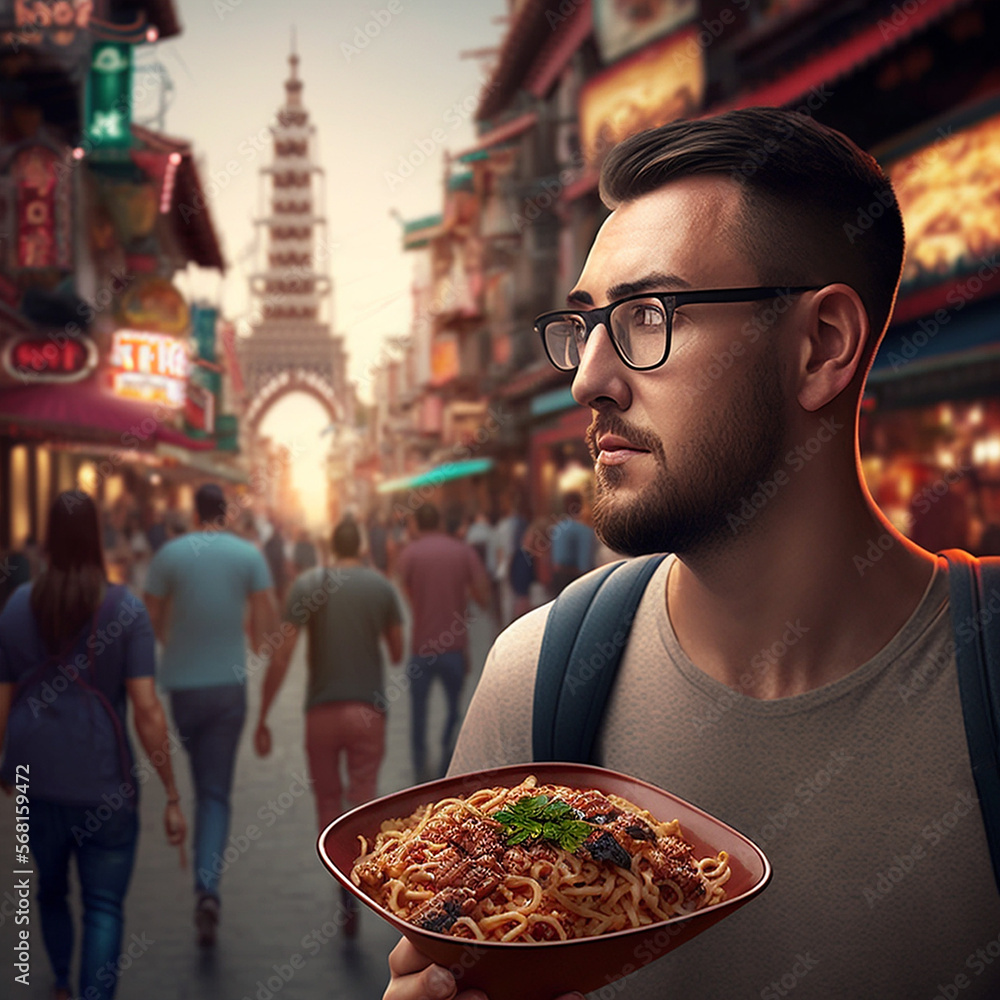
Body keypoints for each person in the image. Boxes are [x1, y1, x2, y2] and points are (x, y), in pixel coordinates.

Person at [383, 108, 1000, 1000]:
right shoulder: (539, 677)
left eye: (647, 315)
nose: (588, 378)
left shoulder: (982, 673)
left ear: (822, 346)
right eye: (585, 324)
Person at [0, 490, 186, 1000]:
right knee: (104, 906)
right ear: (96, 538)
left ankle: (60, 981)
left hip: (35, 783)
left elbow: (2, 702)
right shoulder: (125, 609)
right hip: (106, 785)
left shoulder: (17, 606)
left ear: (48, 541)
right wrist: (170, 790)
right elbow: (146, 710)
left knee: (50, 888)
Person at [253, 516, 404, 934]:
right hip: (367, 712)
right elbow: (396, 652)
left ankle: (339, 878)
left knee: (327, 800)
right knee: (362, 797)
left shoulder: (307, 585)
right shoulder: (380, 587)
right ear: (360, 545)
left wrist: (263, 714)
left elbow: (282, 655)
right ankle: (357, 876)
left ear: (331, 546)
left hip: (320, 712)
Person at [143, 483, 278, 947]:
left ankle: (202, 872)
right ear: (227, 512)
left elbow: (149, 618)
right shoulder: (248, 556)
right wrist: (256, 647)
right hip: (228, 688)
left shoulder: (169, 556)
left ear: (193, 510)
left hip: (183, 688)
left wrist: (172, 645)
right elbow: (267, 620)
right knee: (216, 793)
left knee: (201, 783)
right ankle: (207, 886)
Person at [396, 501, 491, 783]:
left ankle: (419, 767)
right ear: (438, 522)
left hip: (422, 647)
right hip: (454, 647)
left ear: (416, 525)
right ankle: (446, 762)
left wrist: (420, 604)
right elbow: (483, 595)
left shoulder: (409, 554)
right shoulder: (462, 551)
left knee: (419, 711)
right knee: (454, 708)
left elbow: (403, 588)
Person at [548, 489, 595, 596]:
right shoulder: (584, 531)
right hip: (575, 580)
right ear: (581, 505)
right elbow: (585, 566)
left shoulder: (557, 528)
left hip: (558, 578)